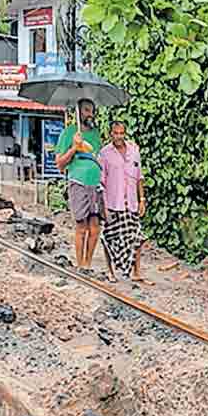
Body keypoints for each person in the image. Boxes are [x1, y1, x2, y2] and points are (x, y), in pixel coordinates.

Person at [98, 120, 150, 284]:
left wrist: (142, 199)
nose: (119, 136)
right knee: (109, 238)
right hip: (113, 202)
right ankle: (110, 271)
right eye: (116, 133)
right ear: (110, 134)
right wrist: (103, 207)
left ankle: (136, 271)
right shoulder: (104, 154)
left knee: (137, 237)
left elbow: (139, 176)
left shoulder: (134, 151)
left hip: (131, 203)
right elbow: (101, 182)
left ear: (125, 133)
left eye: (121, 133)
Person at [54, 99, 103, 272]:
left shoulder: (96, 134)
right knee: (82, 226)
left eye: (92, 111)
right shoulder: (69, 133)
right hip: (78, 183)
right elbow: (59, 164)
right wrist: (74, 147)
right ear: (79, 112)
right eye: (86, 111)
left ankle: (88, 264)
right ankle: (80, 265)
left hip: (96, 185)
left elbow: (98, 156)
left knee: (95, 227)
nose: (90, 114)